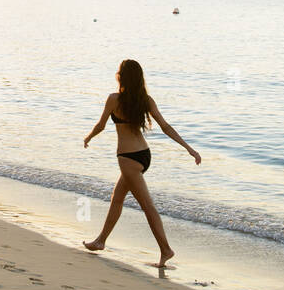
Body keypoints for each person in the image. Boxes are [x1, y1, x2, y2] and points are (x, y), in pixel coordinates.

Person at [83, 58, 200, 267]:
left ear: (121, 76)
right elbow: (165, 126)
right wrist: (189, 148)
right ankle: (101, 240)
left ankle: (166, 249)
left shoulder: (114, 99)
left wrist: (89, 137)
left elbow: (101, 125)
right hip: (144, 155)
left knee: (147, 206)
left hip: (128, 158)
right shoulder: (145, 100)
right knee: (117, 198)